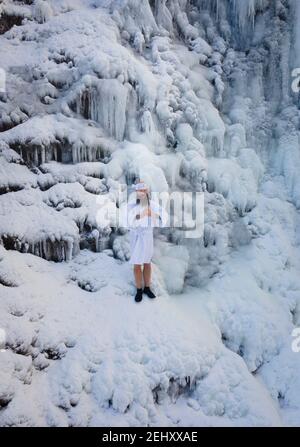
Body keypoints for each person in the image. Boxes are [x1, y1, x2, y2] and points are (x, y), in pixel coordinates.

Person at [123, 179, 168, 302]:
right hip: (136, 237)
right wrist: (142, 215)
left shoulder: (153, 205)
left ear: (147, 191)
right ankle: (139, 290)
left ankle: (147, 287)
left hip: (147, 236)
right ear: (136, 192)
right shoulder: (130, 205)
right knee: (137, 263)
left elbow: (164, 220)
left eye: (144, 190)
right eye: (139, 190)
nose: (142, 193)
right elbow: (127, 223)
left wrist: (152, 214)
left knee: (147, 262)